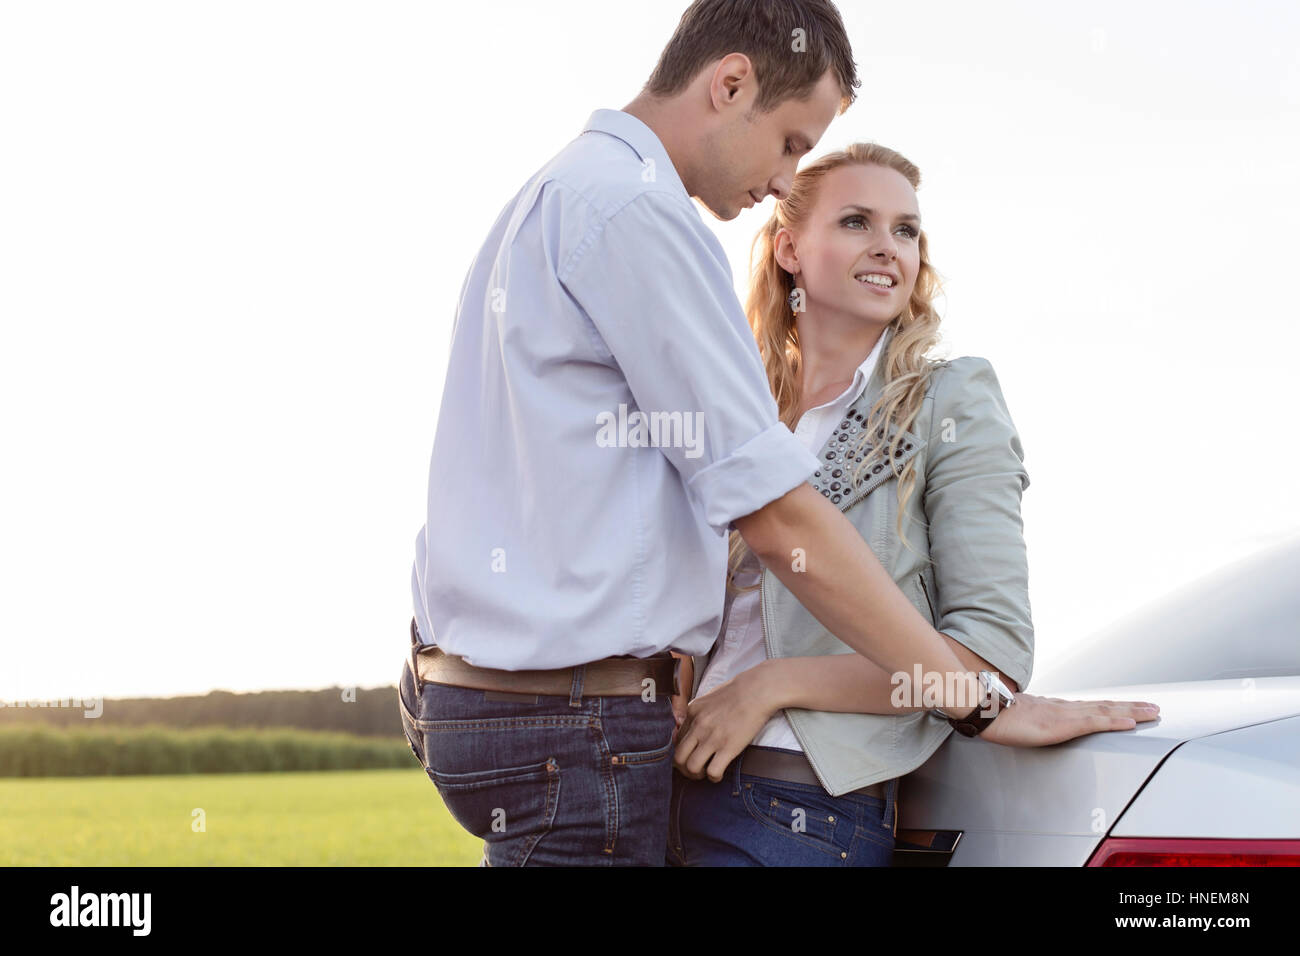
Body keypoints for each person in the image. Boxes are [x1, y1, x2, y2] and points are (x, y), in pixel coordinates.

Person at [398, 0, 1155, 867]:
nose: (778, 177)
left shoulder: (555, 197)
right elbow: (781, 519)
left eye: (908, 228)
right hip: (586, 731)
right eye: (792, 143)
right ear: (730, 84)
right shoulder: (637, 215)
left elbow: (984, 637)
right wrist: (981, 706)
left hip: (592, 736)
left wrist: (801, 685)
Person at [666, 143, 1160, 866]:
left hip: (799, 811)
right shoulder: (739, 410)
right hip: (662, 792)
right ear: (789, 249)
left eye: (906, 231)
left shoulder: (948, 401)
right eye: (858, 222)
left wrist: (771, 685)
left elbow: (984, 655)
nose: (888, 249)